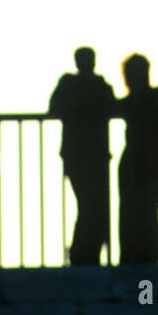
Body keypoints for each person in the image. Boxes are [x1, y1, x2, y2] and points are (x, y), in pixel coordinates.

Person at [48, 47, 116, 265]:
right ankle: (83, 253)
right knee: (90, 205)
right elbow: (54, 108)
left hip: (88, 156)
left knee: (91, 206)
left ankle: (85, 252)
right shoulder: (82, 85)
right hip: (84, 156)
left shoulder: (96, 86)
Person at [117, 53, 158, 263]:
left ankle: (143, 255)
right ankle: (139, 255)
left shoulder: (153, 97)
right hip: (146, 161)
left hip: (148, 161)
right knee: (139, 211)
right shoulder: (153, 97)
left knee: (143, 211)